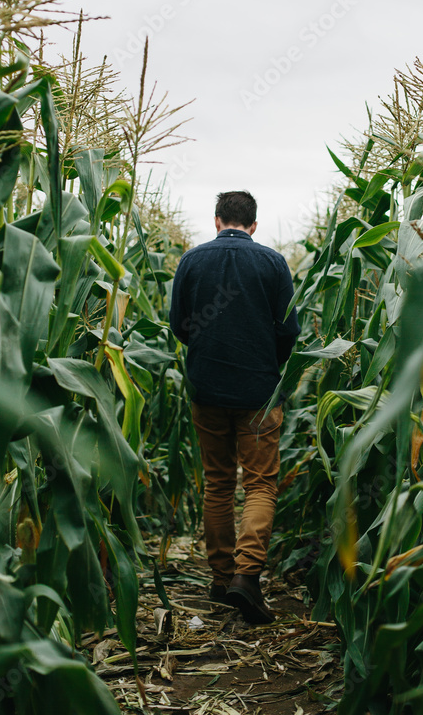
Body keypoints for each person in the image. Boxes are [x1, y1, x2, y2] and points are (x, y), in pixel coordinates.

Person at [169, 190, 300, 624]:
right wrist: (265, 362)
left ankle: (222, 578)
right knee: (260, 485)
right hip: (259, 394)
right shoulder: (272, 263)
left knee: (218, 483)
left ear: (216, 220)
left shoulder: (192, 261)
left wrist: (208, 352)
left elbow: (180, 326)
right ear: (254, 225)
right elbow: (288, 330)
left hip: (207, 390)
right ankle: (247, 578)